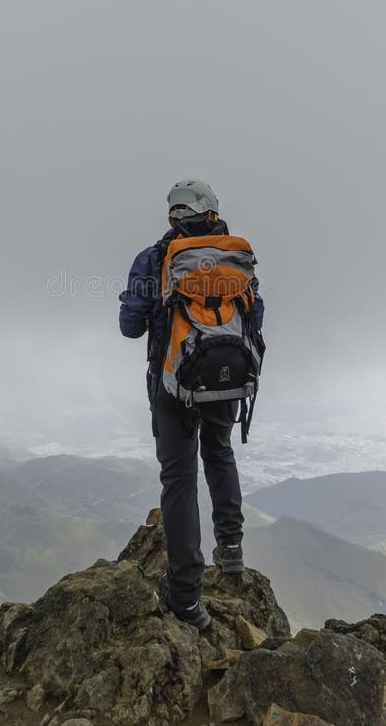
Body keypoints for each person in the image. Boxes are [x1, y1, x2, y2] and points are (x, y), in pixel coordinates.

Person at [119, 179, 264, 629]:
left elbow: (130, 326)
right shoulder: (235, 257)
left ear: (173, 216)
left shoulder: (155, 257)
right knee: (219, 452)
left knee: (179, 481)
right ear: (213, 212)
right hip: (226, 377)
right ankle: (232, 549)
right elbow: (255, 315)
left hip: (174, 383)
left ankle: (187, 599)